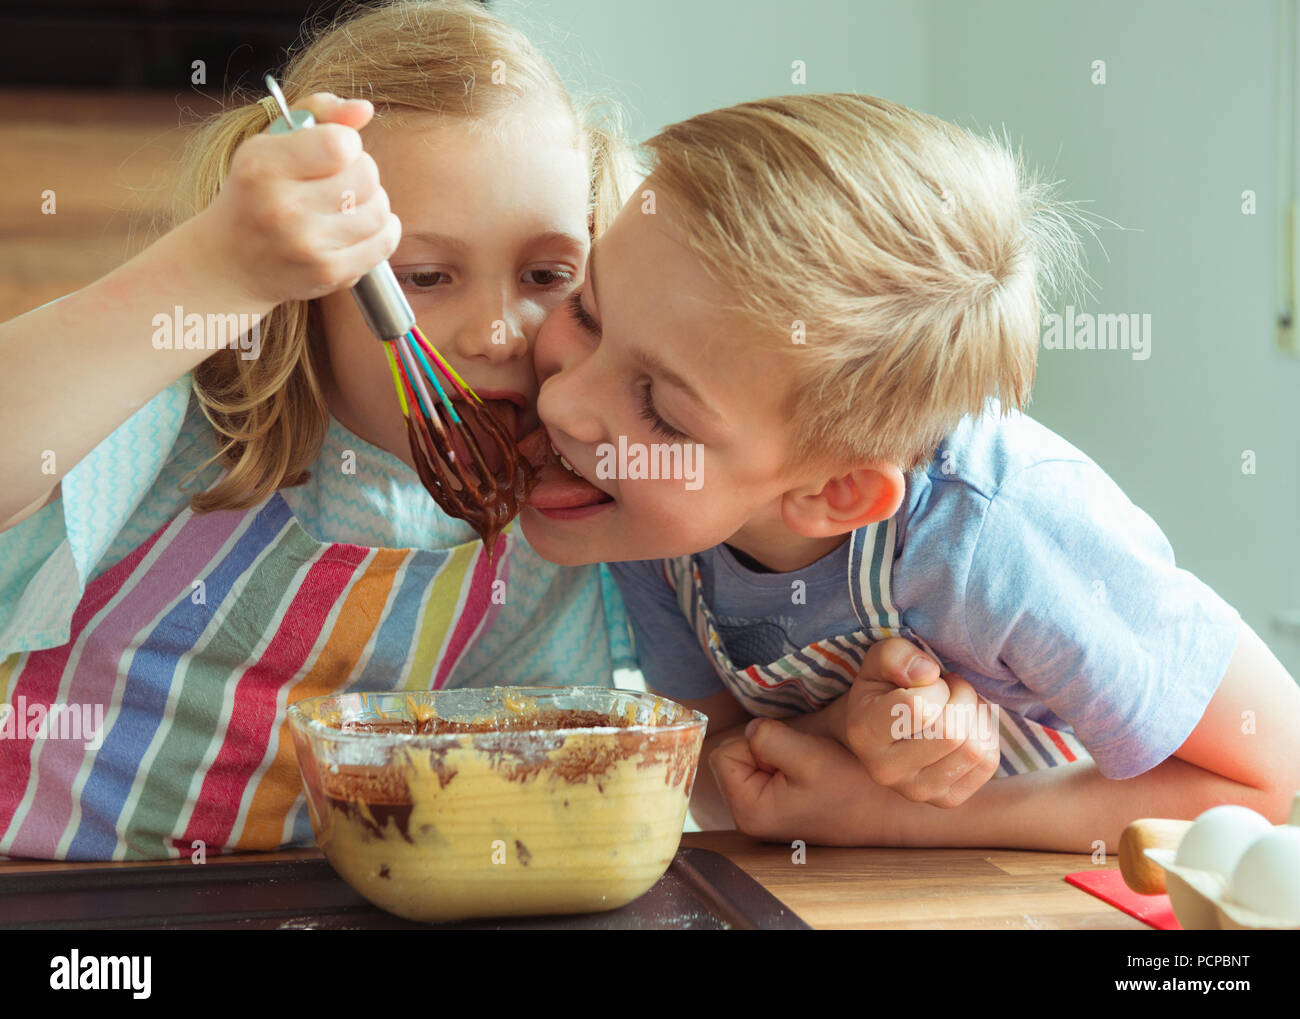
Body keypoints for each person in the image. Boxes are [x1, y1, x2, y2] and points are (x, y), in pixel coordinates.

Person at [518, 93, 1300, 851]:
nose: (560, 399)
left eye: (660, 409)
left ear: (835, 492)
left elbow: (1268, 778)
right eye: (587, 310)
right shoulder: (649, 514)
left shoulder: (1001, 533)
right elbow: (718, 772)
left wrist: (901, 818)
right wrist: (839, 737)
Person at [0, 0, 637, 861]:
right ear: (305, 284)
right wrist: (208, 272)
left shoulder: (537, 532)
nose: (498, 331)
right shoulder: (193, 416)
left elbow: (541, 774)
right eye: (426, 275)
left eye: (546, 274)